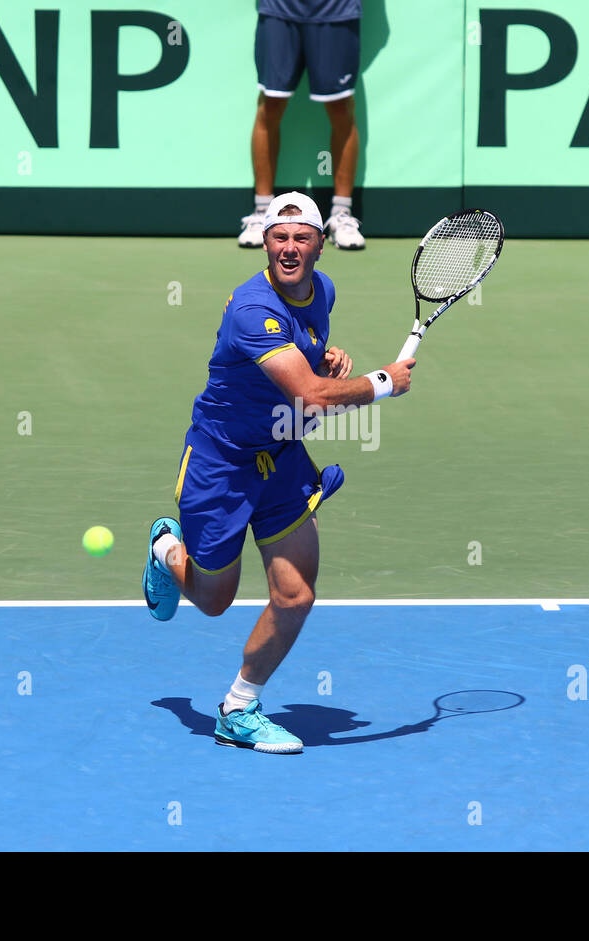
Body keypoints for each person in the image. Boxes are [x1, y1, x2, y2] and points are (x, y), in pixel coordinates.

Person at [145, 191, 416, 753]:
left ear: (321, 244)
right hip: (221, 462)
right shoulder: (251, 309)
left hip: (284, 459)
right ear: (265, 241)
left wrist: (324, 356)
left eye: (302, 238)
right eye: (279, 237)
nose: (289, 248)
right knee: (215, 599)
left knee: (295, 596)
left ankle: (238, 707)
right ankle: (167, 553)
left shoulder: (324, 291)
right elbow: (311, 396)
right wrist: (382, 381)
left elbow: (306, 365)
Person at [238, 0, 366, 251]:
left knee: (340, 107)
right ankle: (263, 212)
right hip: (279, 9)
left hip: (336, 11)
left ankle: (341, 214)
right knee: (271, 103)